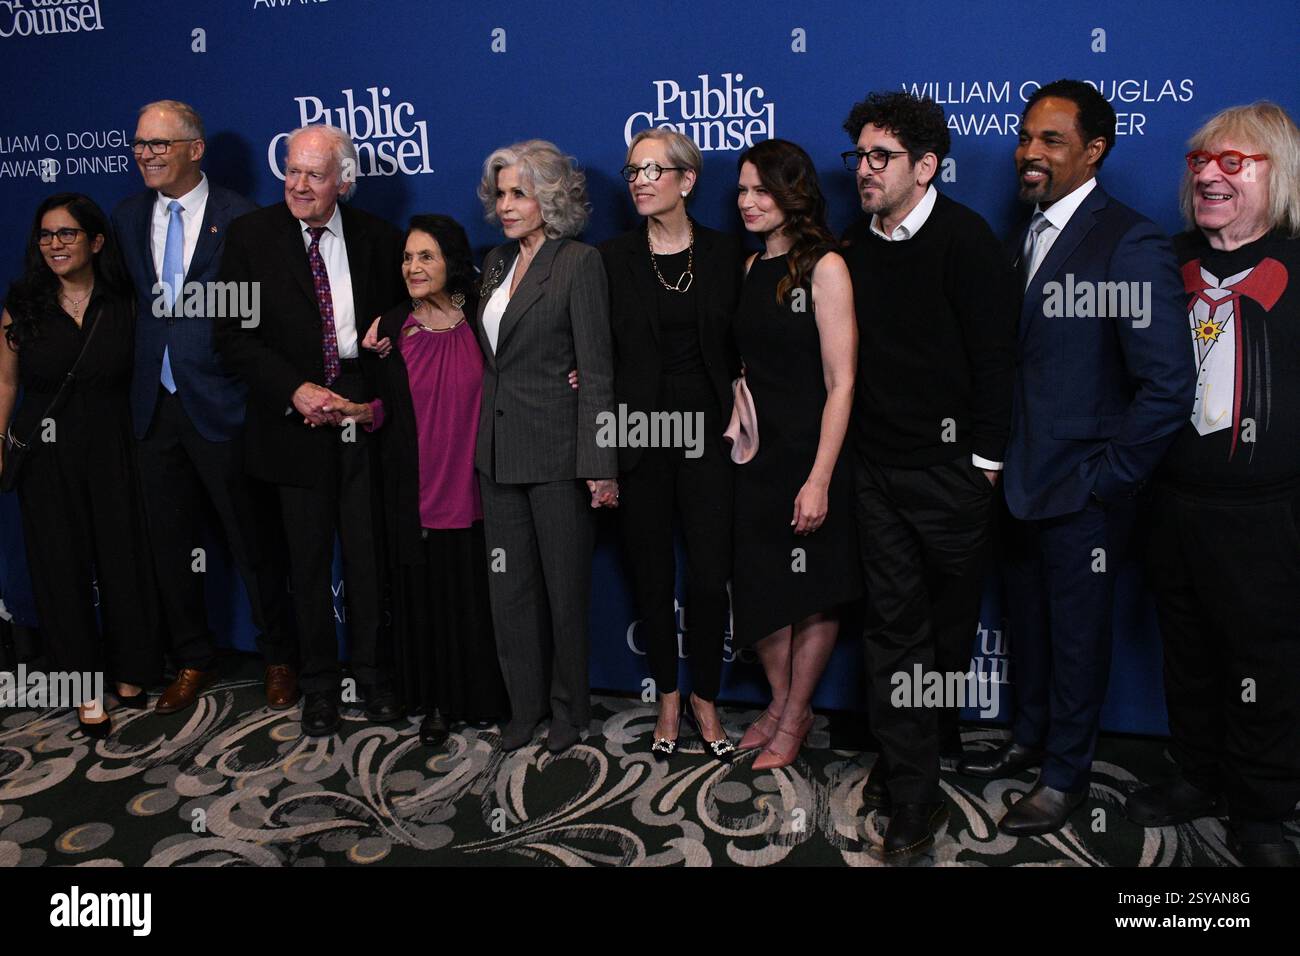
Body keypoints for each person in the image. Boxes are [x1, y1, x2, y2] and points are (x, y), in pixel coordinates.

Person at [960, 80, 1194, 836]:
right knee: (1028, 625)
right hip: (1018, 480)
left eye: (1051, 140)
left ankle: (1066, 775)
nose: (1029, 151)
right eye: (1026, 136)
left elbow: (1166, 384)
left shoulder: (1129, 240)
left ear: (1094, 151)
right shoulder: (1022, 234)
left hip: (1084, 491)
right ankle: (1030, 739)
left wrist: (1108, 482)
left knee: (1078, 639)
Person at [840, 92, 1017, 858]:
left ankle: (922, 746)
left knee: (945, 635)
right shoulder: (854, 245)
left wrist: (982, 466)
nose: (865, 170)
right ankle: (914, 791)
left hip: (951, 476)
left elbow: (996, 361)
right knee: (894, 630)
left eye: (882, 157)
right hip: (877, 473)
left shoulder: (967, 240)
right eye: (860, 156)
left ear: (927, 165)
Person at [1126, 102, 1300, 868]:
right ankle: (1196, 775)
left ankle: (1263, 808)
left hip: (1267, 516)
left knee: (1263, 662)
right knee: (1185, 652)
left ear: (1278, 174)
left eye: (1234, 162)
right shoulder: (1165, 263)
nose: (1211, 175)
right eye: (1201, 162)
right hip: (1170, 505)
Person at [215, 124, 406, 737]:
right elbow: (231, 338)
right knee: (306, 562)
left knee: (369, 556)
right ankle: (320, 685)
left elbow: (410, 318)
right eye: (292, 171)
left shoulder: (379, 239)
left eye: (314, 175)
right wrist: (292, 389)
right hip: (289, 416)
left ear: (343, 182)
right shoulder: (250, 237)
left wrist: (387, 339)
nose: (298, 185)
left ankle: (377, 678)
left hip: (360, 409)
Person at [112, 99, 291, 716]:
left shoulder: (243, 217)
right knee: (169, 545)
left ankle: (278, 657)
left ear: (196, 148)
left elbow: (260, 317)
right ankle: (193, 658)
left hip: (223, 405)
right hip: (152, 410)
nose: (147, 154)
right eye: (139, 144)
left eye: (160, 144)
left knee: (253, 543)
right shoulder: (127, 215)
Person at [599, 129, 742, 761]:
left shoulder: (726, 253)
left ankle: (706, 696)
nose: (639, 180)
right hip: (640, 434)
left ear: (687, 180)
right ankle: (666, 700)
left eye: (653, 170)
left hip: (709, 434)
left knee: (710, 577)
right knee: (652, 575)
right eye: (632, 171)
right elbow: (595, 355)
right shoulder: (610, 259)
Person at [472, 139, 618, 753]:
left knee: (563, 592)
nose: (506, 205)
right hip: (499, 454)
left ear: (550, 200)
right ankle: (522, 708)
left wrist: (600, 464)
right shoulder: (494, 264)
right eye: (500, 193)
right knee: (511, 595)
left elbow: (598, 371)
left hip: (559, 456)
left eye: (520, 194)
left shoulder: (579, 262)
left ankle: (569, 711)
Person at [0, 194, 160, 737]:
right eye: (46, 235)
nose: (55, 244)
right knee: (59, 569)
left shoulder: (123, 300)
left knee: (123, 557)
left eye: (67, 234)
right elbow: (6, 381)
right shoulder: (23, 302)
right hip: (44, 453)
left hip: (113, 445)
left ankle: (132, 670)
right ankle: (83, 686)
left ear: (95, 242)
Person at [731, 139, 860, 772]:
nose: (749, 202)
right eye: (742, 190)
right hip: (758, 457)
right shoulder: (752, 269)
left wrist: (820, 479)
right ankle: (784, 706)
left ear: (793, 194)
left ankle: (795, 713)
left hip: (812, 455)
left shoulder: (826, 266)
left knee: (810, 592)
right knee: (761, 591)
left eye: (762, 190)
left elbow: (842, 382)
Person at [356, 215, 508, 746]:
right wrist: (351, 412)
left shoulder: (484, 319)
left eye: (426, 257)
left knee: (475, 599)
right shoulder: (391, 328)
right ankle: (438, 702)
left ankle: (484, 697)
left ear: (452, 261)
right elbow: (381, 408)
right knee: (427, 604)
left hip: (479, 488)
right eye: (407, 257)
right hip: (417, 491)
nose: (413, 267)